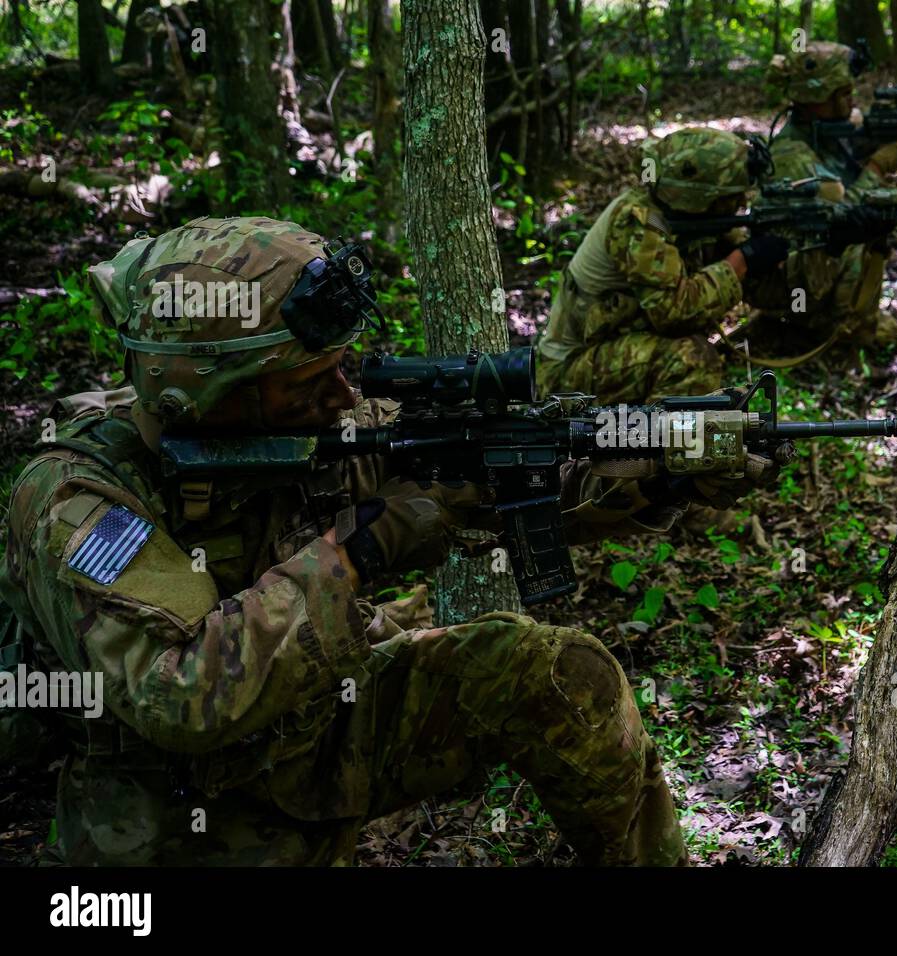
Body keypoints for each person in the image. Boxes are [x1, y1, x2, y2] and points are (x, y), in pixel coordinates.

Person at [0, 215, 780, 865]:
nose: (344, 396)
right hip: (176, 808)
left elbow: (509, 482)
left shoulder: (321, 428)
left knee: (559, 674)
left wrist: (662, 469)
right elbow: (186, 692)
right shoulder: (77, 499)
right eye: (311, 382)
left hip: (323, 727)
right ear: (208, 386)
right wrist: (364, 548)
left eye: (344, 370)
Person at [534, 126, 788, 404]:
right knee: (692, 359)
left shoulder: (687, 219)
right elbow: (674, 313)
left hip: (610, 351)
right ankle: (657, 443)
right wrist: (740, 262)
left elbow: (758, 283)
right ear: (699, 196)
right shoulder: (639, 223)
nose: (740, 202)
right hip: (565, 375)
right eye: (731, 196)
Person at [750, 41, 897, 356]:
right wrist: (877, 167)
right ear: (814, 98)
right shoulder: (791, 155)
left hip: (810, 275)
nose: (850, 101)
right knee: (857, 233)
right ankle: (830, 329)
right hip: (794, 279)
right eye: (840, 94)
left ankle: (845, 321)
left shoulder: (828, 133)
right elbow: (836, 223)